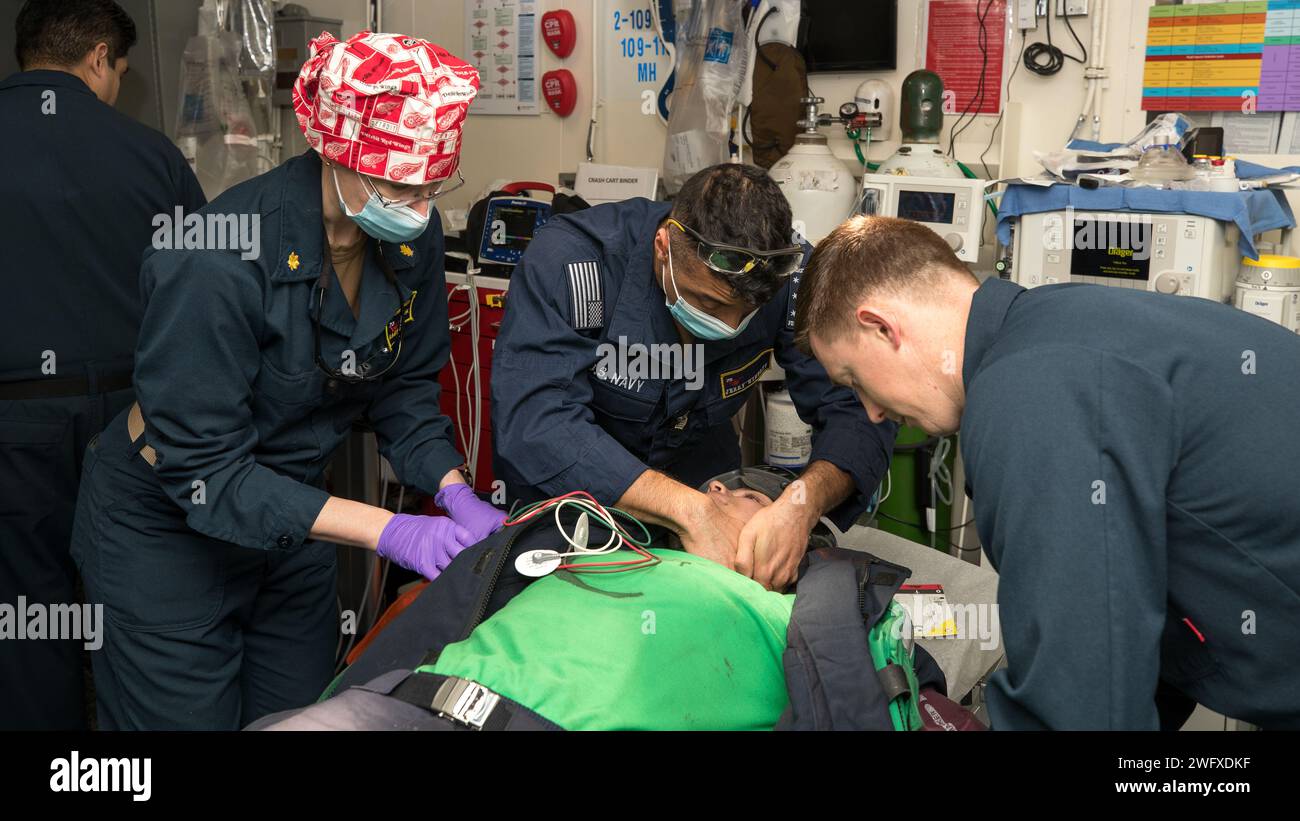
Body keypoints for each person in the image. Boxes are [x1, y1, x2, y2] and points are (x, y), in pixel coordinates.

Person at [69, 31, 504, 730]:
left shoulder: (408, 236)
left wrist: (454, 490)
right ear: (336, 151)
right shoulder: (216, 258)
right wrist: (393, 531)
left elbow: (401, 387)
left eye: (431, 186)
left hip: (293, 524)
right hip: (168, 526)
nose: (419, 207)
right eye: (397, 184)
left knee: (299, 719)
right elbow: (210, 468)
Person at [794, 215, 1300, 730]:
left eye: (853, 378)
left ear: (881, 326)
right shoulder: (1060, 327)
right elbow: (1126, 633)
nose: (872, 413)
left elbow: (1083, 698)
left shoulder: (1029, 395)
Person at [491, 164, 896, 590]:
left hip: (699, 478)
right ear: (663, 247)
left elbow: (856, 406)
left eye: (749, 311)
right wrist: (690, 512)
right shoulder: (576, 263)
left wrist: (801, 504)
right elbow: (538, 422)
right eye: (710, 303)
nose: (732, 324)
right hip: (573, 502)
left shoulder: (792, 278)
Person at [0, 0, 205, 730]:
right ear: (97, 57)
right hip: (133, 418)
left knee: (28, 615)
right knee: (140, 594)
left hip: (15, 419)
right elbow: (202, 293)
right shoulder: (153, 157)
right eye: (119, 67)